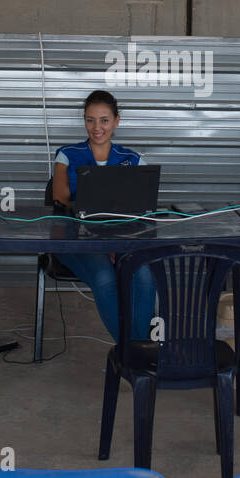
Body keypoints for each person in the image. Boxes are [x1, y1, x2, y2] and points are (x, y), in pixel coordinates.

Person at [51, 90, 155, 342]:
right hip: (76, 240)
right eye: (90, 120)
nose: (97, 128)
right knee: (105, 278)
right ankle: (134, 354)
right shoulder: (67, 155)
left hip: (123, 240)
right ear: (84, 121)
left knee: (144, 276)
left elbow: (141, 212)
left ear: (117, 121)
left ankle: (133, 355)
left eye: (104, 120)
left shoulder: (133, 160)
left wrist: (115, 242)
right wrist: (101, 240)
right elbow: (61, 203)